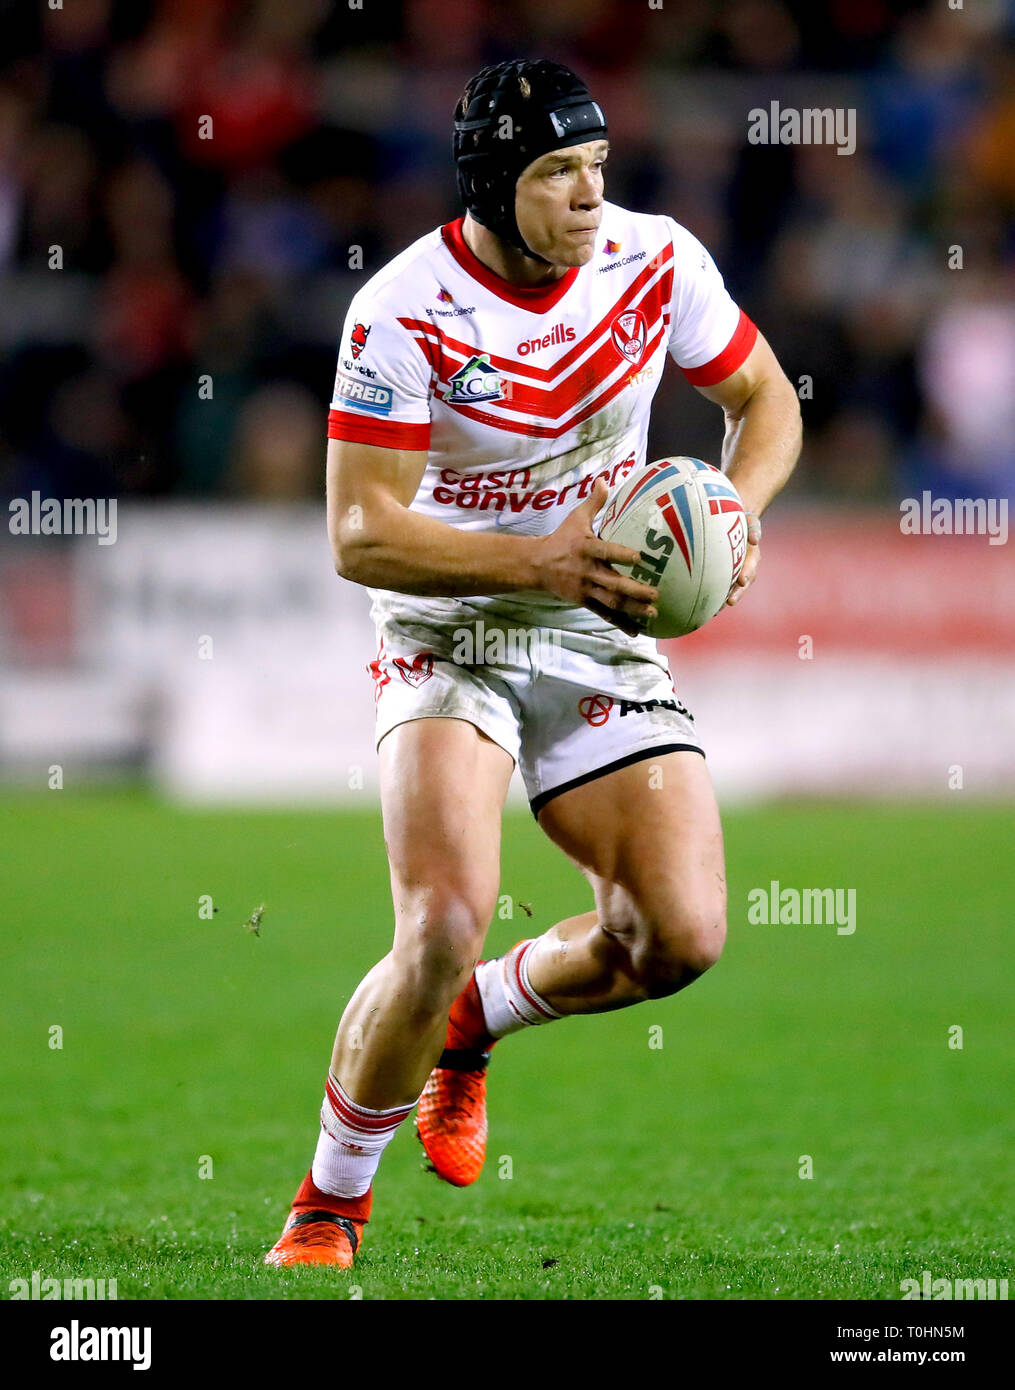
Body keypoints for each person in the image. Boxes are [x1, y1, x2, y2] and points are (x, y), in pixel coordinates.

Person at [265, 58, 801, 1269]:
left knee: (679, 936)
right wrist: (539, 562)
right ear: (493, 186)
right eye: (557, 172)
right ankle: (328, 1204)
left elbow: (764, 400)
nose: (587, 197)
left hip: (594, 617)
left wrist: (736, 515)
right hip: (451, 626)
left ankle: (478, 1018)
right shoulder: (402, 310)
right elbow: (361, 532)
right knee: (444, 915)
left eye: (597, 167)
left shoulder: (655, 260)